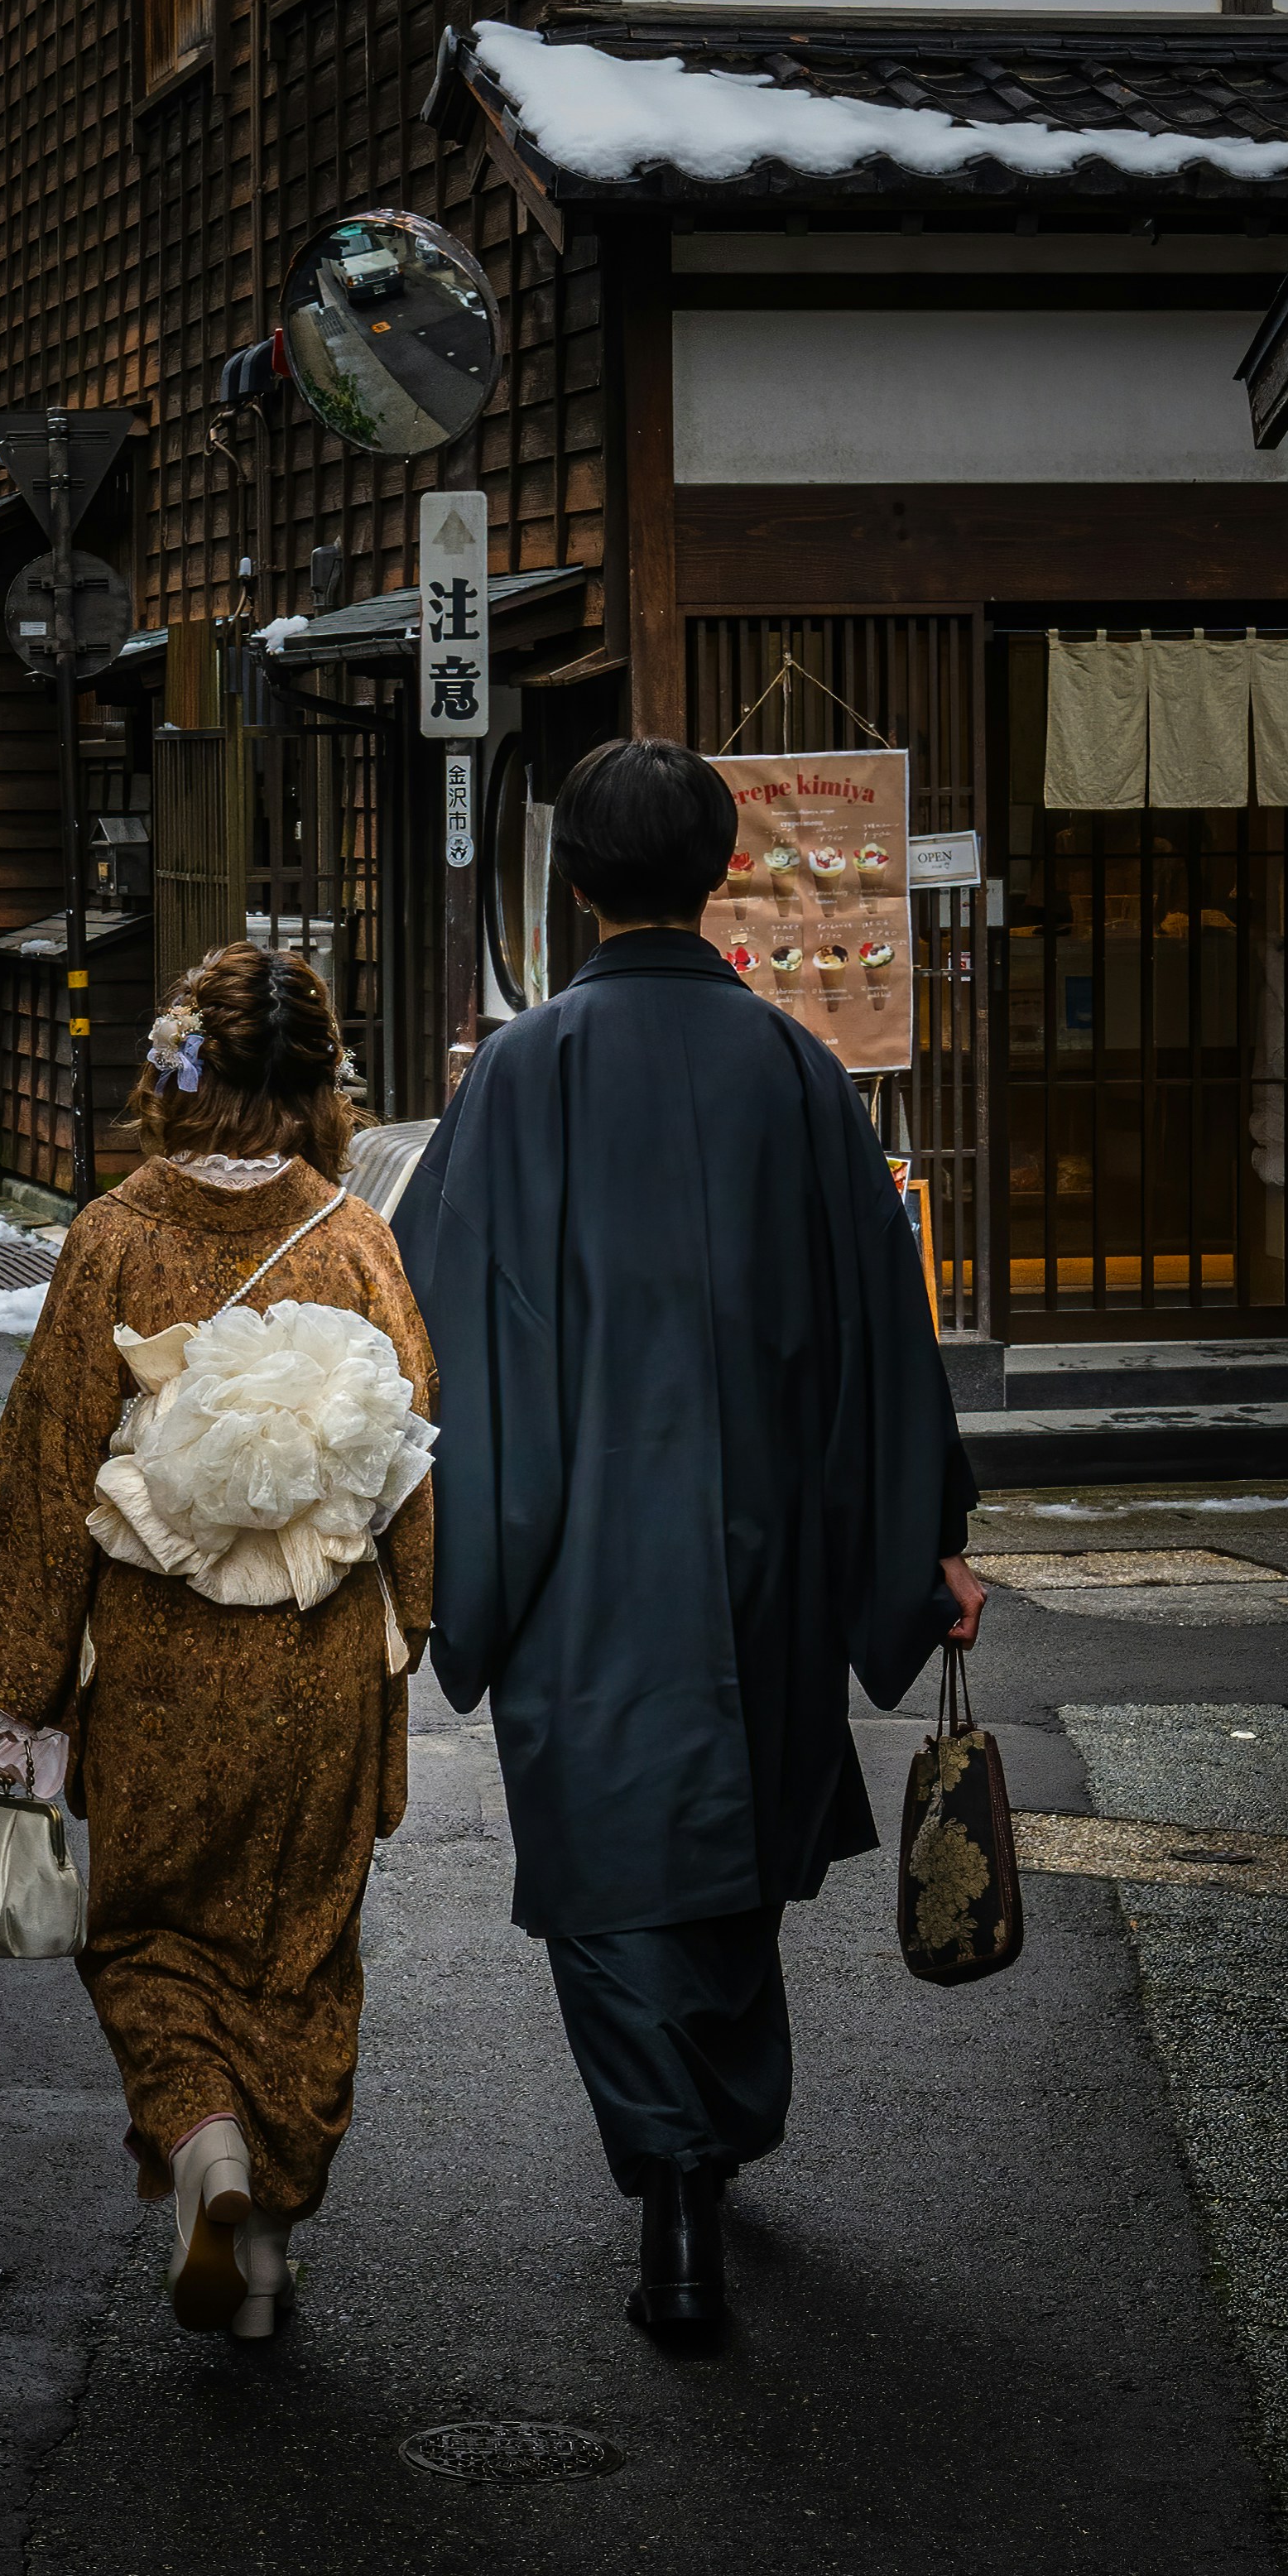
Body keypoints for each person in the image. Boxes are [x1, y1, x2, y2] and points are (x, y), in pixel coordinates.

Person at [396, 737, 985, 2337]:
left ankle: (673, 2195)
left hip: (580, 1558)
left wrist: (455, 1549)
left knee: (608, 1878)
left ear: (575, 879)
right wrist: (914, 1534)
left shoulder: (522, 1076)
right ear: (720, 870)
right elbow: (883, 1332)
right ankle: (705, 2163)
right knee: (724, 1872)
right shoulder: (797, 1071)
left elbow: (435, 1328)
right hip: (768, 1556)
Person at [0, 942, 435, 2343]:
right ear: (320, 1087)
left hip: (156, 1658)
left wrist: (20, 1692)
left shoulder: (111, 1240)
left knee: (151, 1934)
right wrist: (413, 1641)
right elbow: (405, 1465)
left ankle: (203, 2147)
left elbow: (45, 1472)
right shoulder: (352, 1239)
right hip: (318, 1657)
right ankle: (265, 2235)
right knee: (300, 1945)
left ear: (177, 1075)